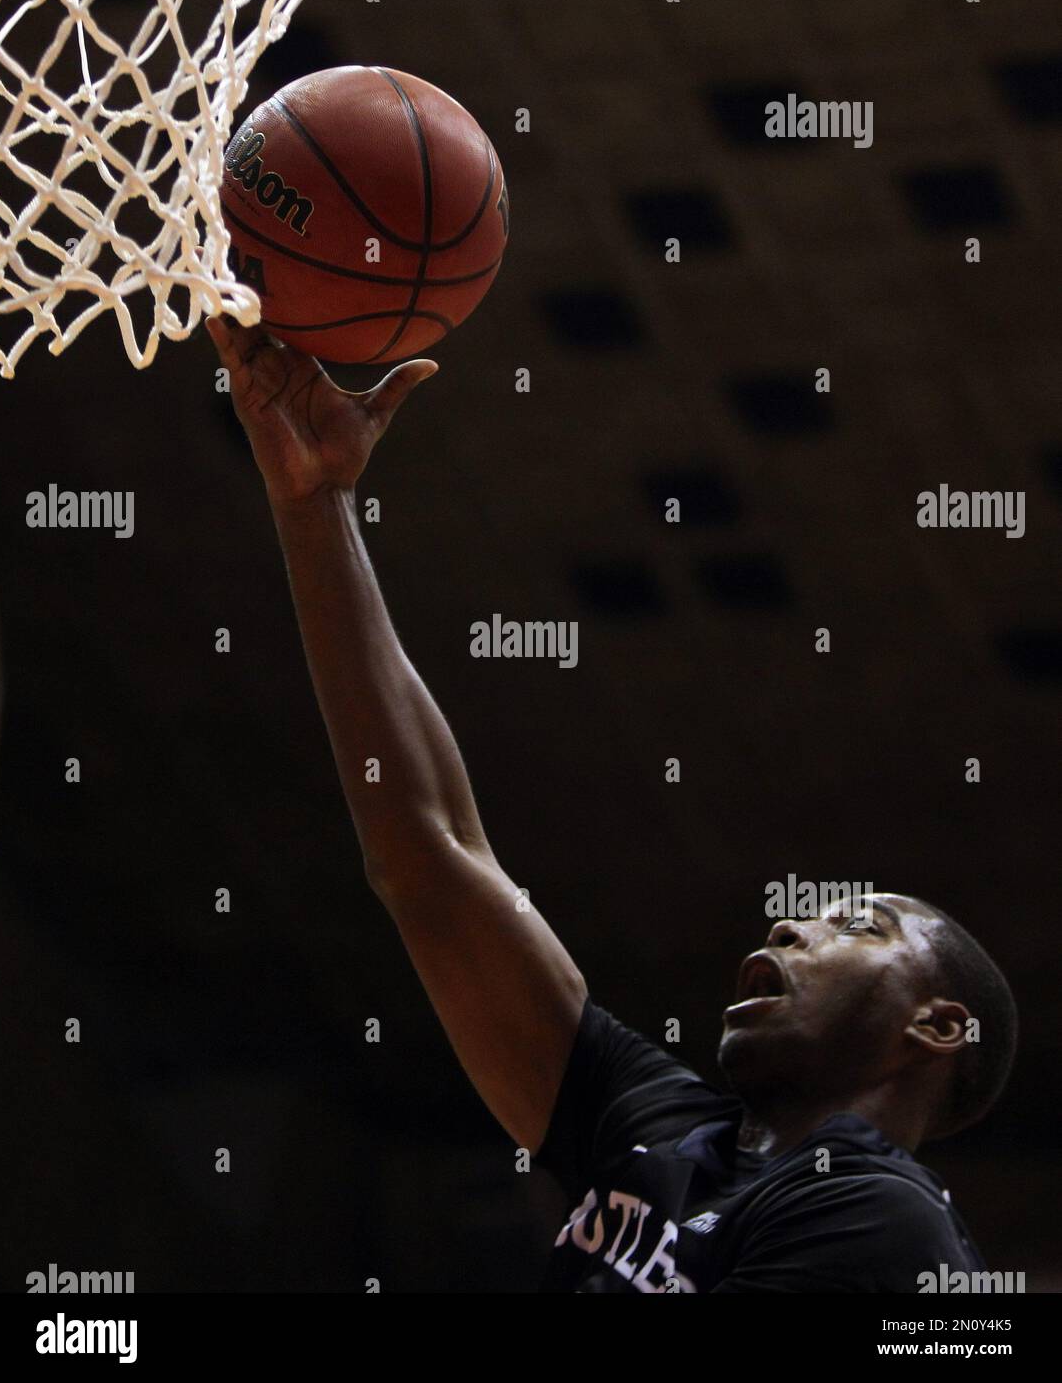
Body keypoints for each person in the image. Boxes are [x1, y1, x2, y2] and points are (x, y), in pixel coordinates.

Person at [206, 319, 1018, 1293]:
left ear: (932, 1028)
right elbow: (431, 853)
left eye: (856, 922)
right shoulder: (667, 1133)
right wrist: (316, 502)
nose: (792, 922)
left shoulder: (884, 1228)